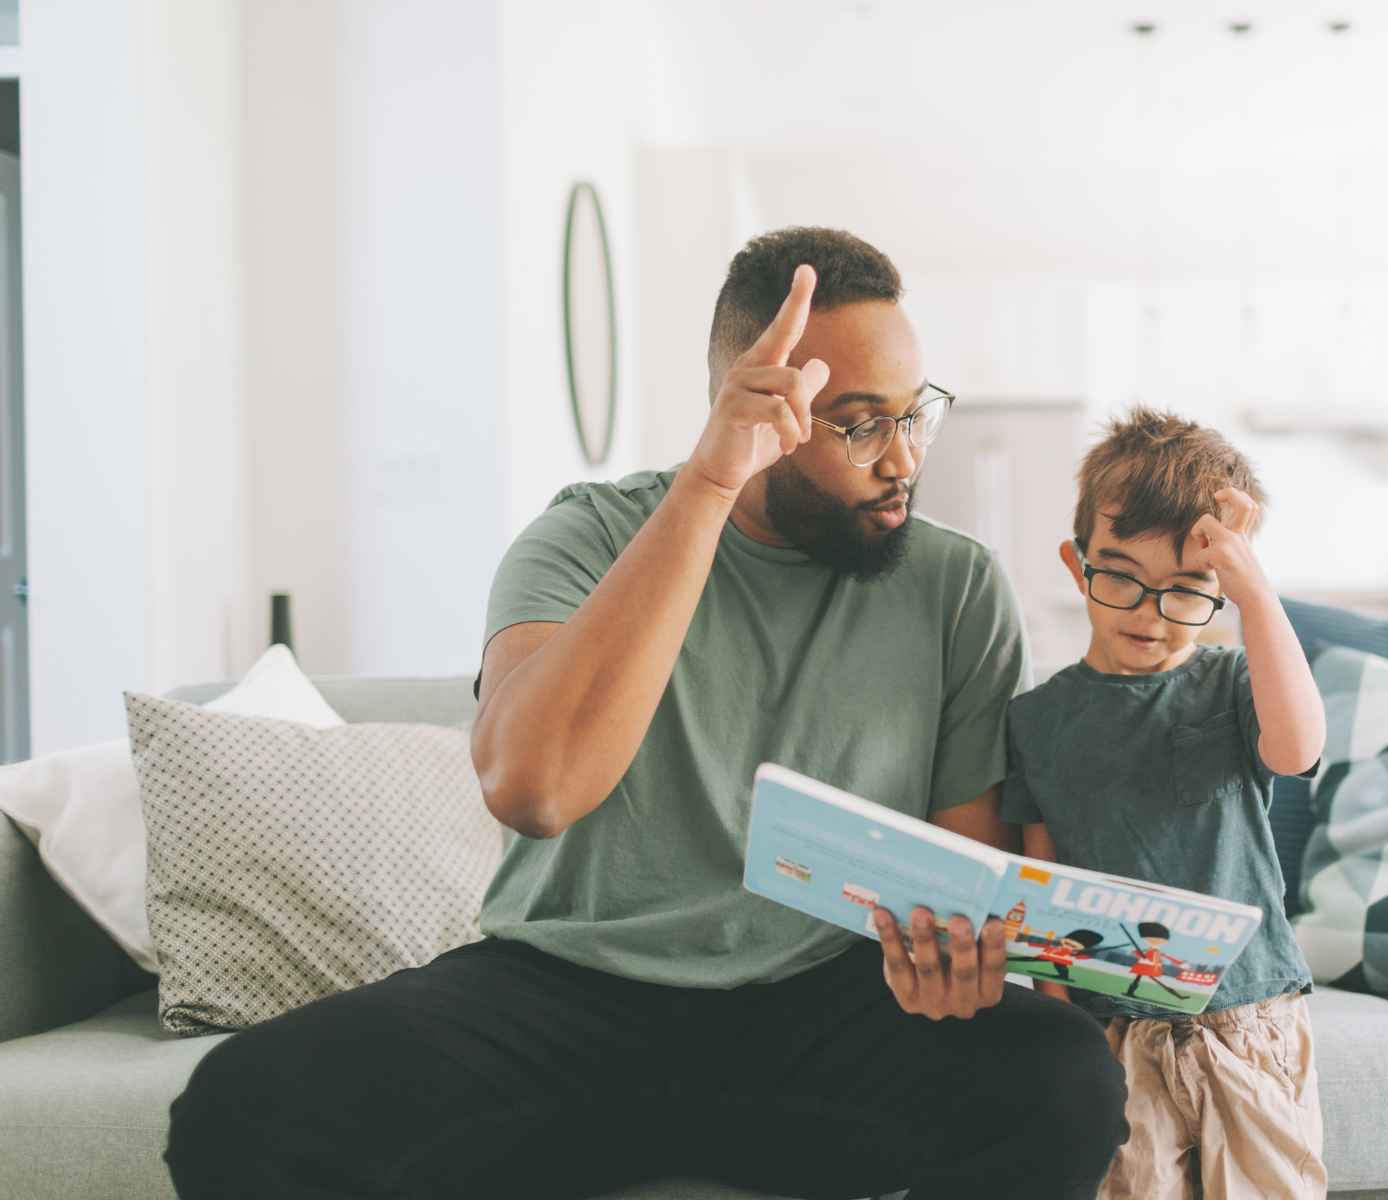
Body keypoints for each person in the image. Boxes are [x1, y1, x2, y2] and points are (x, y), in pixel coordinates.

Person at [163, 227, 1127, 1200]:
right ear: (751, 414)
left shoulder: (953, 584)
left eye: (916, 414)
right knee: (242, 1105)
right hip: (567, 995)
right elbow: (531, 789)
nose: (904, 459)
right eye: (859, 424)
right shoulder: (582, 536)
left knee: (1061, 1077)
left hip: (826, 1010)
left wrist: (953, 965)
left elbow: (964, 873)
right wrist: (710, 487)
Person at [1001, 407, 1330, 1200]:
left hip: (1250, 1024)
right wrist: (1064, 1027)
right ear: (1077, 566)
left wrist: (1254, 593)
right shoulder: (1036, 721)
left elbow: (1300, 749)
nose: (1149, 613)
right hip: (1117, 1035)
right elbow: (1038, 878)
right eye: (1121, 577)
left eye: (1186, 591)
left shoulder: (1228, 685)